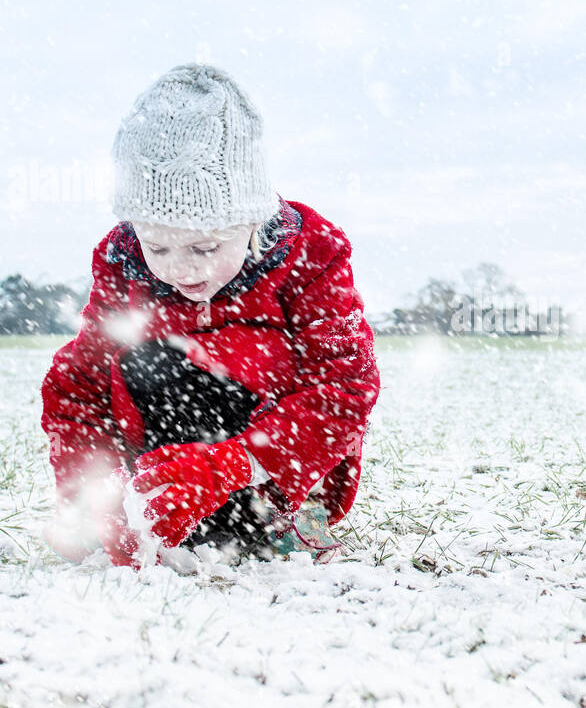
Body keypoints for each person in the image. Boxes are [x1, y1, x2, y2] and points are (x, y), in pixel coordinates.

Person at [41, 63, 380, 568]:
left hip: (271, 465)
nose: (180, 270)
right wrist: (97, 489)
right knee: (136, 357)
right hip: (162, 461)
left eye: (204, 247)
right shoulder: (120, 261)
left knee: (243, 350)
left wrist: (235, 463)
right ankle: (149, 506)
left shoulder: (312, 253)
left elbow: (346, 385)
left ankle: (281, 515)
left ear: (251, 220)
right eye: (157, 245)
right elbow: (79, 385)